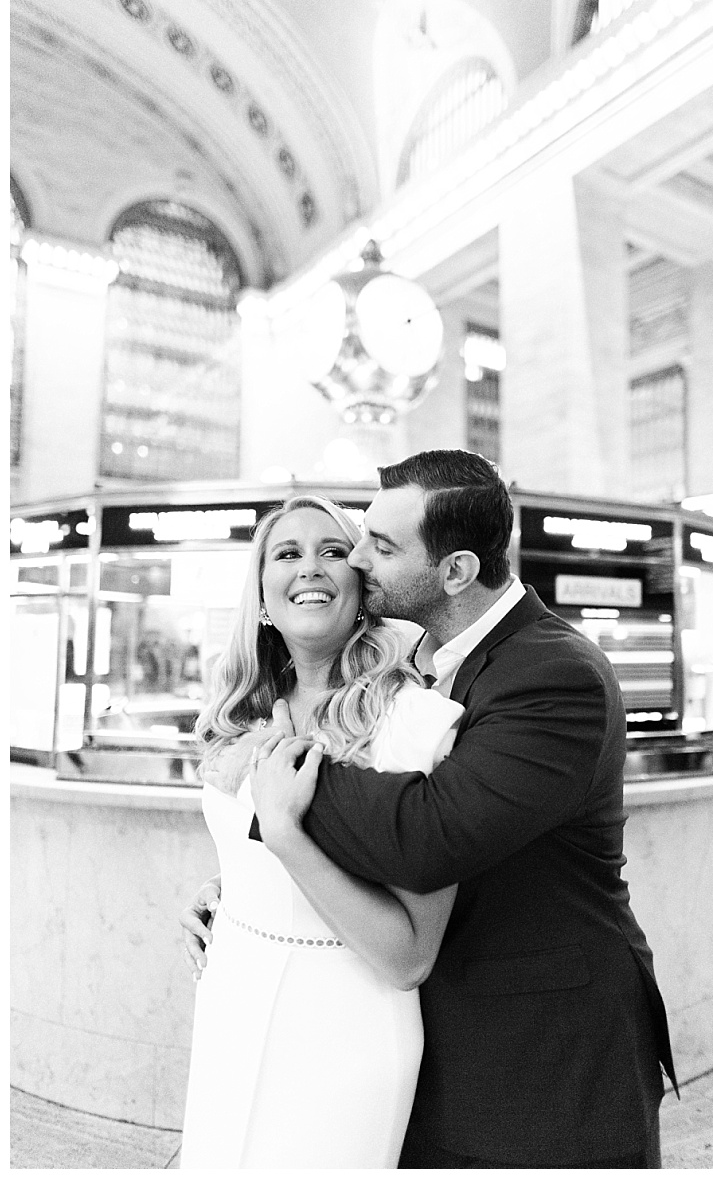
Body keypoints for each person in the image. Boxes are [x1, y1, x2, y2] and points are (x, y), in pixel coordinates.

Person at [182, 450, 673, 1167]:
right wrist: (247, 888)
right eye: (290, 553)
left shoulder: (551, 673)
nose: (353, 559)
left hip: (545, 1038)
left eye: (376, 547)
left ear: (455, 573)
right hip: (325, 1007)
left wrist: (267, 778)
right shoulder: (438, 664)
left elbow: (429, 833)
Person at [180, 495, 464, 1167]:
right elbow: (263, 852)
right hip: (230, 997)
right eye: (288, 553)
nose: (311, 567)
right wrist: (227, 887)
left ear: (363, 587)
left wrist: (286, 839)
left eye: (333, 551)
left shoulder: (418, 725)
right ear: (263, 596)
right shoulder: (244, 712)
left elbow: (408, 958)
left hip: (348, 1029)